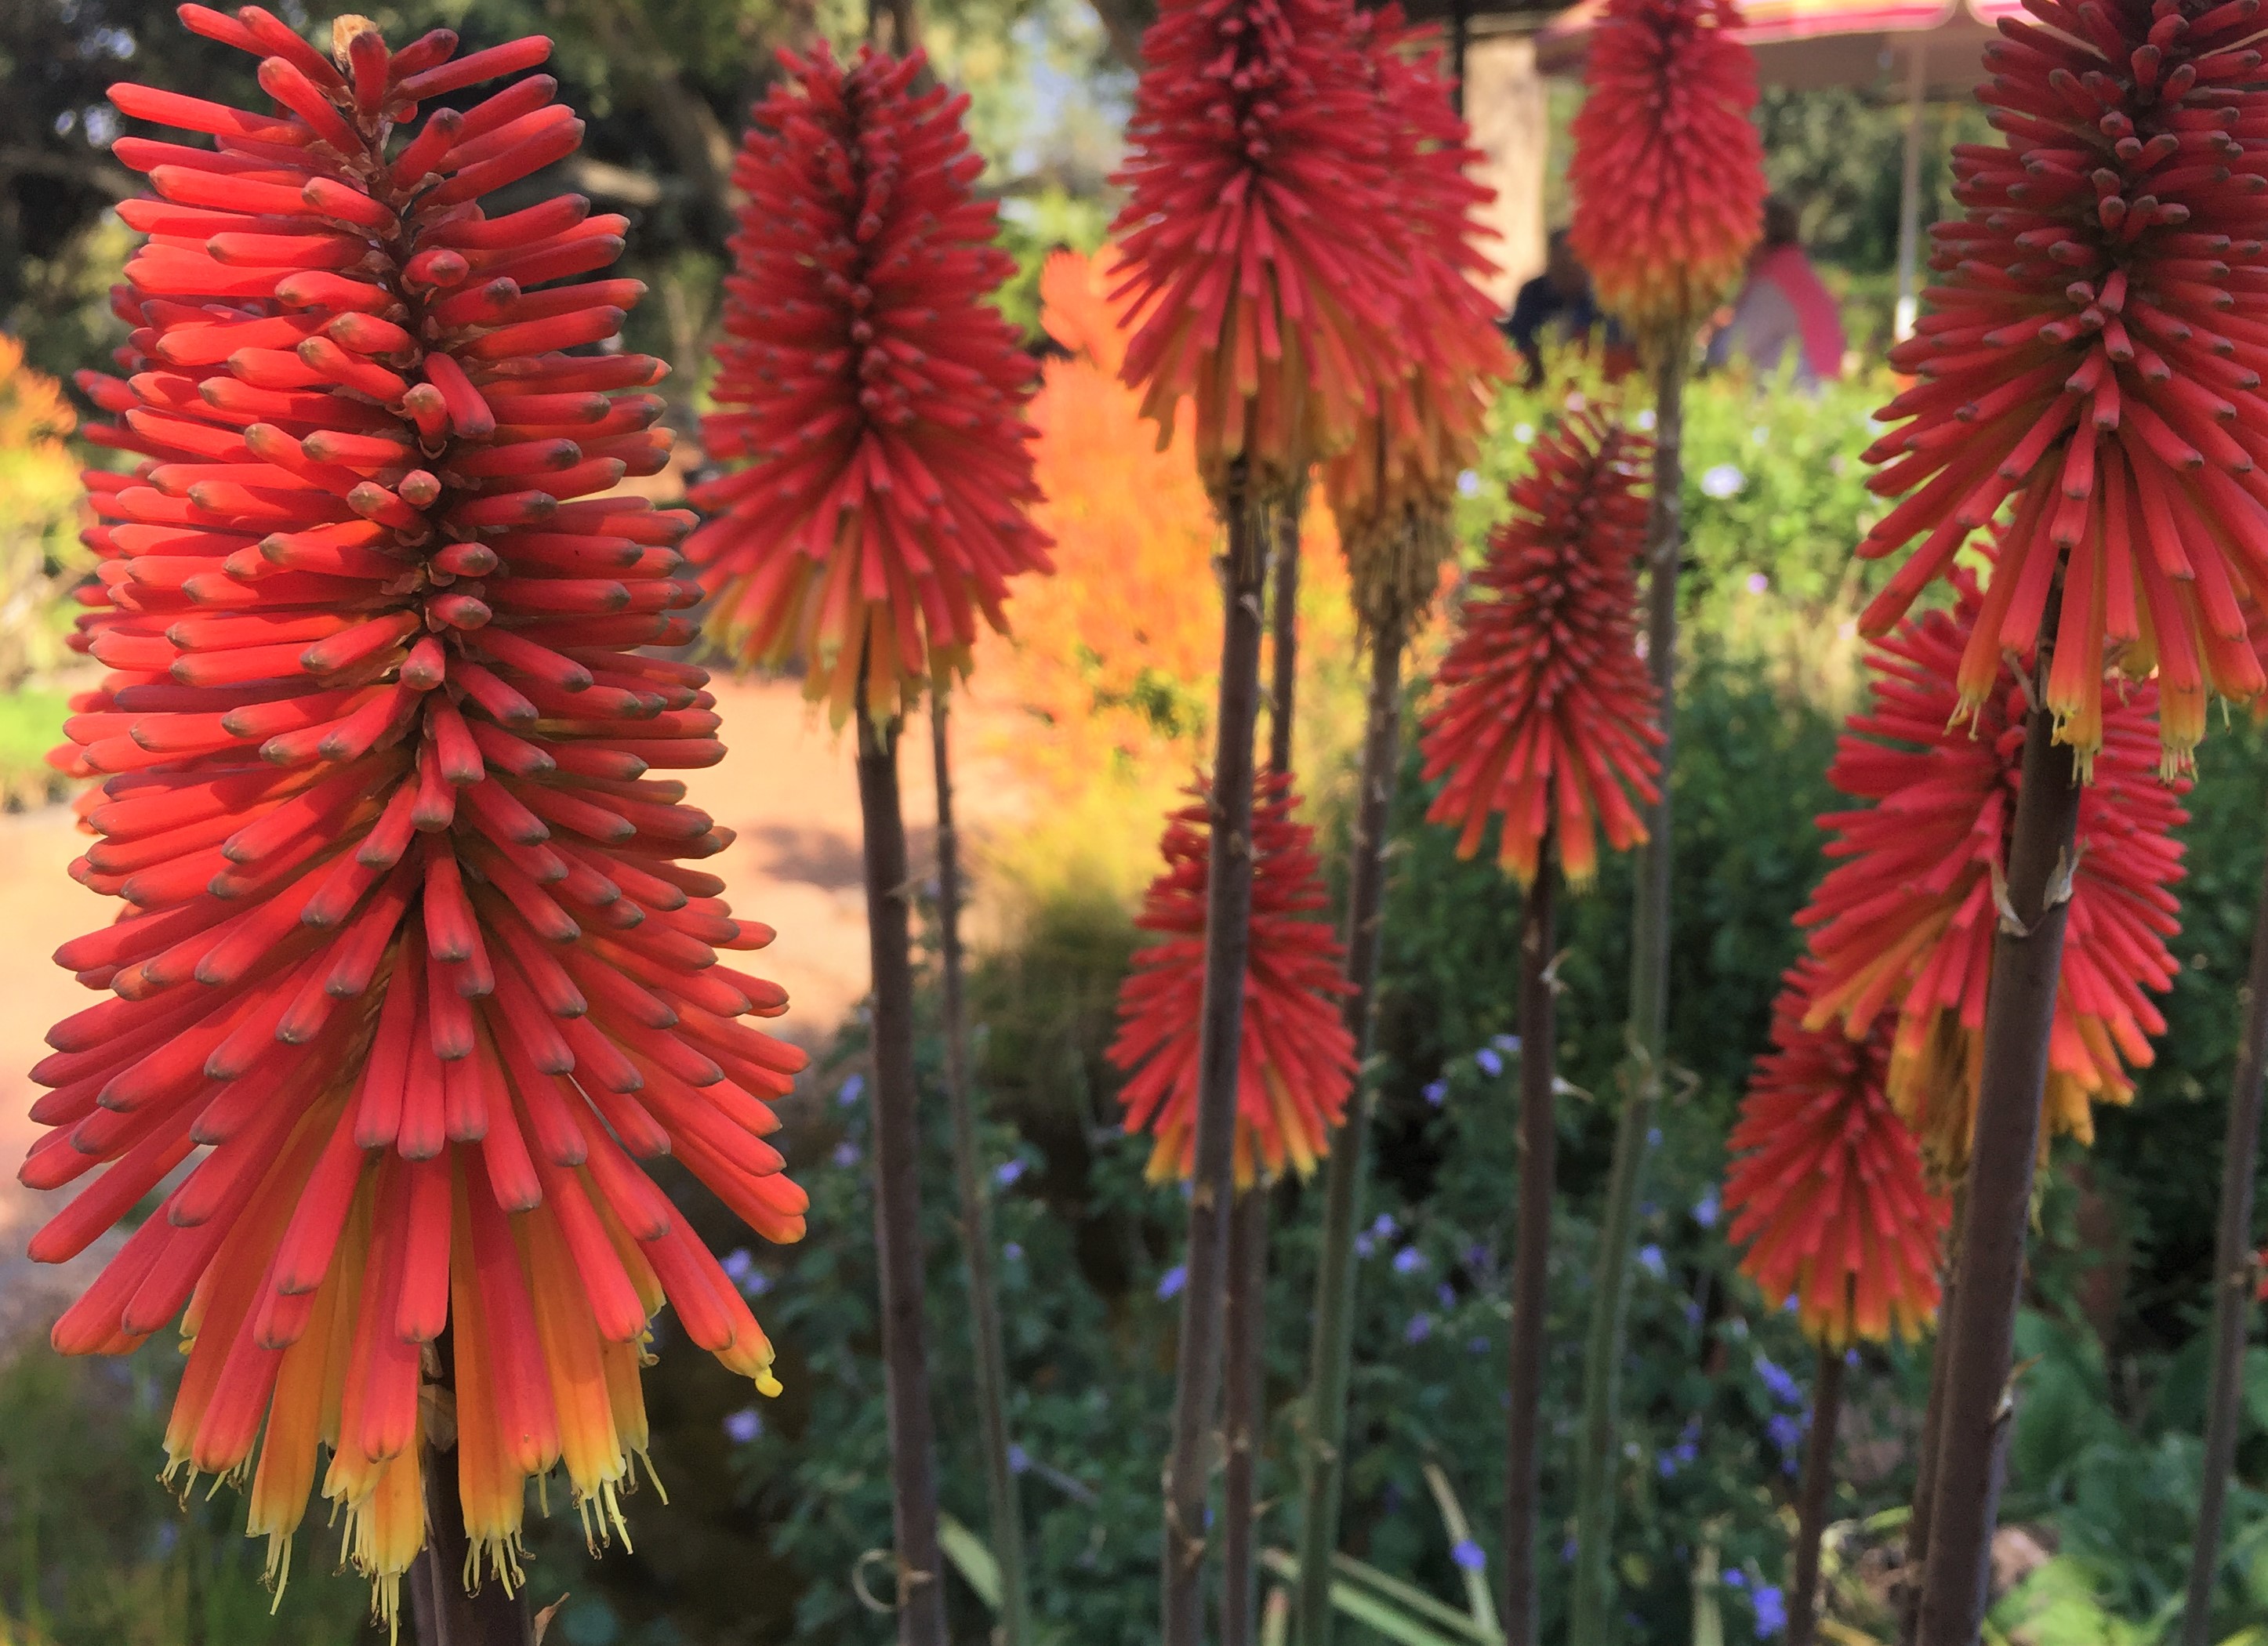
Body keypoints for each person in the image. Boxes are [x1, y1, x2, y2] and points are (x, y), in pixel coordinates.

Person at [1705, 196, 1847, 390]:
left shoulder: (1772, 286)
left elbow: (1727, 352)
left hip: (1800, 398)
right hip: (1820, 387)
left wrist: (1711, 332)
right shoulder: (1796, 270)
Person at [1504, 228, 1604, 387]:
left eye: (1576, 265)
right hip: (1543, 380)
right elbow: (1519, 337)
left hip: (1593, 382)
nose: (1570, 273)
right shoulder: (1533, 293)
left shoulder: (1600, 296)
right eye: (1562, 267)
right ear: (1550, 263)